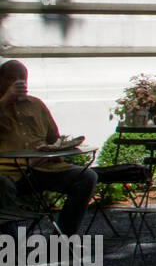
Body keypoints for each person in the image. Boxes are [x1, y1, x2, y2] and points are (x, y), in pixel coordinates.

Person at [0, 60, 97, 234]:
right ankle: (10, 246)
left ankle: (62, 239)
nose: (18, 82)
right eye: (11, 78)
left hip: (42, 168)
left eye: (22, 78)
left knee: (86, 177)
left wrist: (56, 147)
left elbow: (54, 138)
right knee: (1, 185)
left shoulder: (37, 105)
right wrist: (6, 99)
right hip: (8, 172)